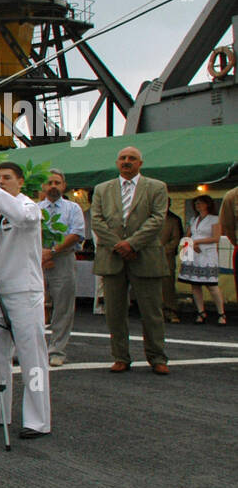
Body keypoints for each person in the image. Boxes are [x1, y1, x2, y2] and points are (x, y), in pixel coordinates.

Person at [0, 163, 51, 439]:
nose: (1, 182)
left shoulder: (28, 208)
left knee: (32, 357)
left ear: (20, 182)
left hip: (23, 292)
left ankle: (38, 419)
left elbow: (19, 216)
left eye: (6, 178)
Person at [89, 146, 170, 375]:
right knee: (114, 312)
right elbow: (97, 221)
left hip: (145, 256)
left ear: (140, 163)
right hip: (112, 257)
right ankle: (120, 357)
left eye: (132, 158)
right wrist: (119, 245)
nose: (127, 161)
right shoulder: (102, 189)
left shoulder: (156, 187)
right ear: (117, 163)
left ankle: (157, 357)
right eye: (123, 158)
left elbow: (157, 219)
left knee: (152, 312)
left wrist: (132, 244)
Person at [39, 169, 85, 366]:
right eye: (49, 183)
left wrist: (53, 252)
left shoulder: (73, 208)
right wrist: (42, 253)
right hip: (38, 260)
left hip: (63, 259)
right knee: (34, 305)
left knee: (63, 307)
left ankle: (57, 350)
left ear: (64, 185)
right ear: (43, 186)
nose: (53, 186)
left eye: (57, 182)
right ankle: (33, 348)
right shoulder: (35, 208)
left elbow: (76, 233)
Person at [179, 194, 226, 325]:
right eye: (196, 204)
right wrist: (189, 245)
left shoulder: (215, 219)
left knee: (212, 285)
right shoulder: (194, 219)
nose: (197, 205)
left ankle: (221, 313)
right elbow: (187, 235)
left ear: (207, 204)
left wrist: (197, 241)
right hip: (194, 253)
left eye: (200, 203)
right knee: (195, 284)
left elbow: (216, 238)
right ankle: (201, 312)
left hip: (207, 253)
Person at [160, 206, 184, 323]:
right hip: (149, 258)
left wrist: (162, 250)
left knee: (167, 285)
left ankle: (170, 310)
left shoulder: (173, 221)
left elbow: (176, 239)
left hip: (166, 258)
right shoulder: (146, 219)